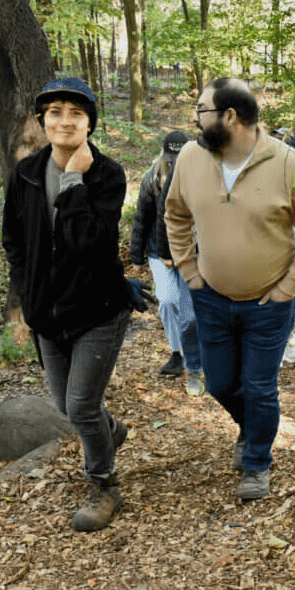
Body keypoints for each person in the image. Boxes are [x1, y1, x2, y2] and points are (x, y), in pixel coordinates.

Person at [165, 77, 295, 501]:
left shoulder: (292, 163)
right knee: (220, 383)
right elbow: (176, 215)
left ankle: (257, 460)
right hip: (210, 298)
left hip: (269, 304)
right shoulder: (189, 157)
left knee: (259, 387)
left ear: (229, 117)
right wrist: (189, 271)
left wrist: (290, 286)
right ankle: (253, 426)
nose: (196, 121)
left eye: (201, 111)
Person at [2, 76, 154, 532]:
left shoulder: (105, 174)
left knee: (82, 406)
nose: (64, 121)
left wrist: (73, 181)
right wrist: (24, 295)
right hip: (47, 314)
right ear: (42, 120)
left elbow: (91, 243)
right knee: (69, 408)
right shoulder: (26, 173)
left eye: (76, 113)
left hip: (98, 309)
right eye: (55, 113)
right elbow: (13, 240)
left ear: (90, 122)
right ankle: (111, 433)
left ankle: (103, 485)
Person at [129, 131, 204, 395]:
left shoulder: (199, 177)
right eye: (171, 159)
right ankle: (177, 352)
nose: (174, 164)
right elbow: (143, 217)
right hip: (156, 251)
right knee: (167, 300)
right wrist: (136, 255)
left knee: (190, 311)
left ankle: (195, 354)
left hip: (188, 253)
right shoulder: (152, 178)